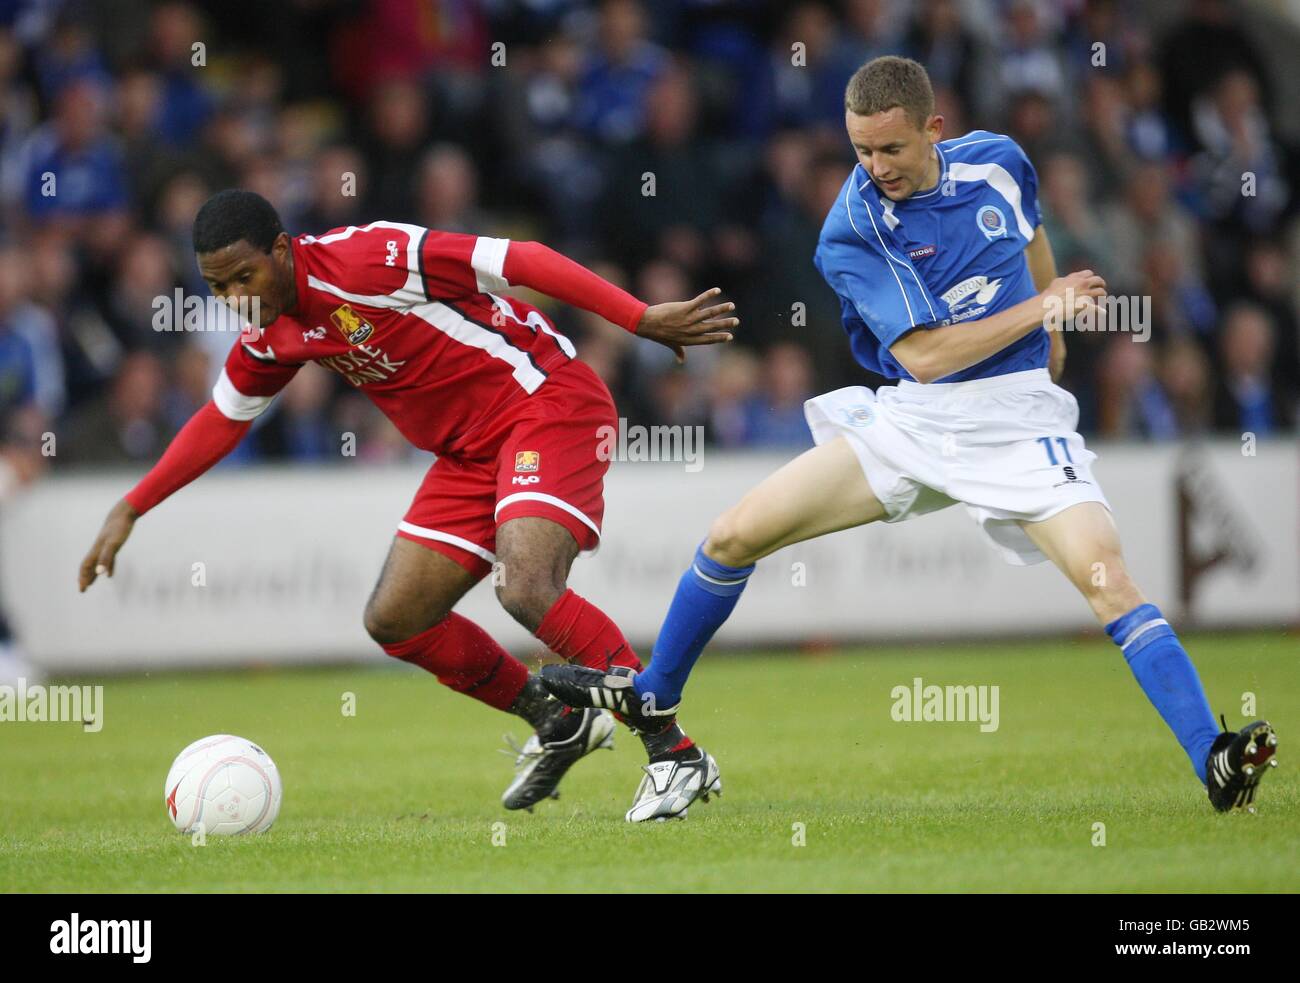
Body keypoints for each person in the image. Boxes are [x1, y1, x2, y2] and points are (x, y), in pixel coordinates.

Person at [542, 57, 1278, 814]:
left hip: (1018, 418)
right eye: (860, 149)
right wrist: (1043, 311)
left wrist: (1050, 345)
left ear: (934, 130)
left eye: (890, 149)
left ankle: (1214, 760)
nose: (874, 167)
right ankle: (656, 696)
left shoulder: (999, 161)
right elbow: (924, 355)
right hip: (918, 415)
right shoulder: (850, 228)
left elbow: (1032, 235)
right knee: (733, 533)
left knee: (1106, 580)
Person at [78, 190, 738, 821]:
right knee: (397, 618)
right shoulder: (269, 333)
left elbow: (521, 259)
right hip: (467, 454)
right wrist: (132, 506)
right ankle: (556, 717)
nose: (233, 299)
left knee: (526, 585)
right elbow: (221, 420)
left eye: (242, 277)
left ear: (281, 249)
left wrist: (637, 317)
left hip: (544, 401)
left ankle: (673, 750)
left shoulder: (367, 257)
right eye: (217, 288)